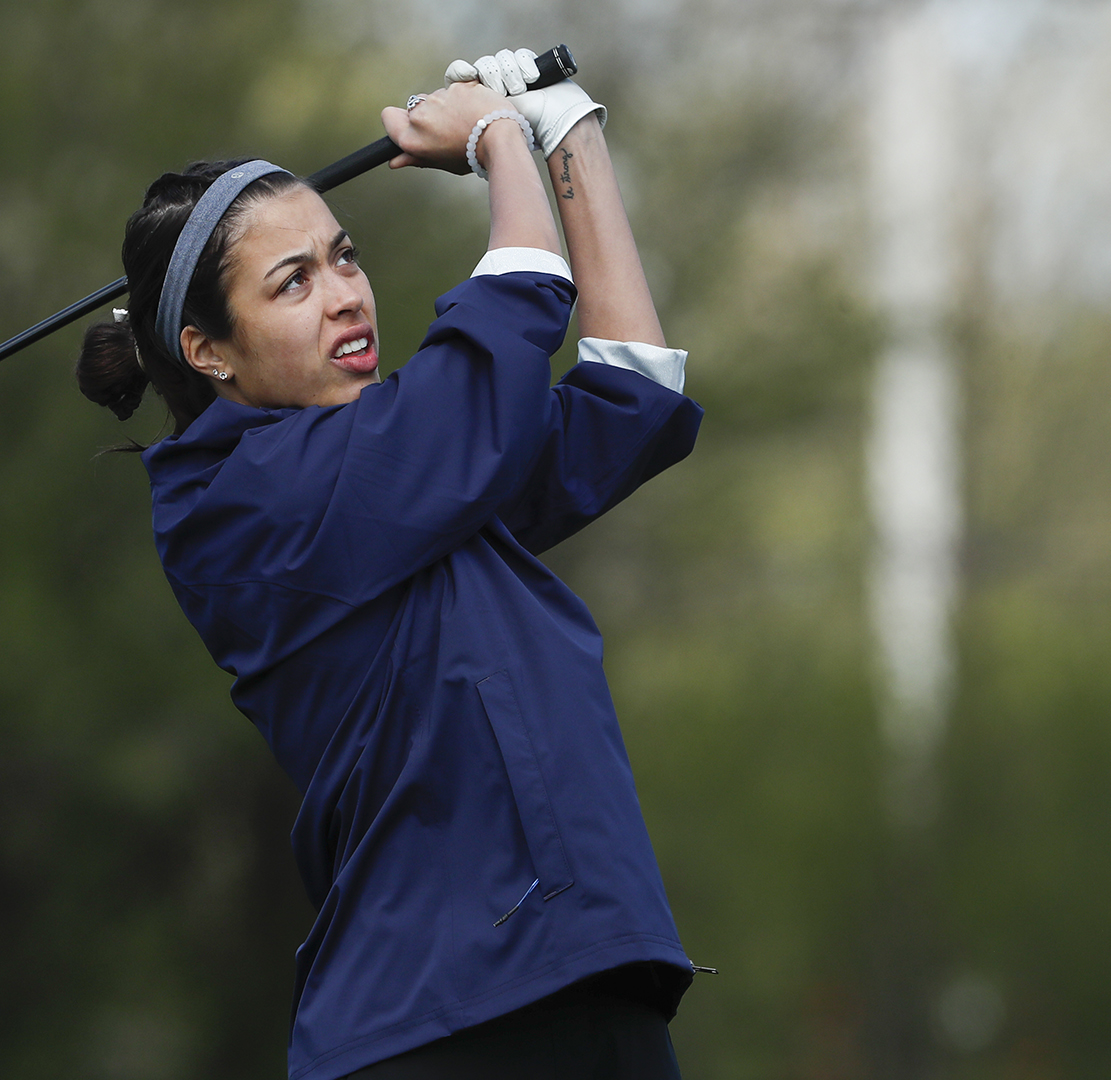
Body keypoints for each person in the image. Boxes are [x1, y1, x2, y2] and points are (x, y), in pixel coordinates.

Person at [75, 49, 705, 1080]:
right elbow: (504, 331)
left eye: (344, 257)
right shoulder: (235, 503)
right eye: (293, 281)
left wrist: (566, 133)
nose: (345, 296)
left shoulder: (417, 465)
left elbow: (630, 399)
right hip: (435, 1024)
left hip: (589, 977)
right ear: (209, 351)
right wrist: (498, 142)